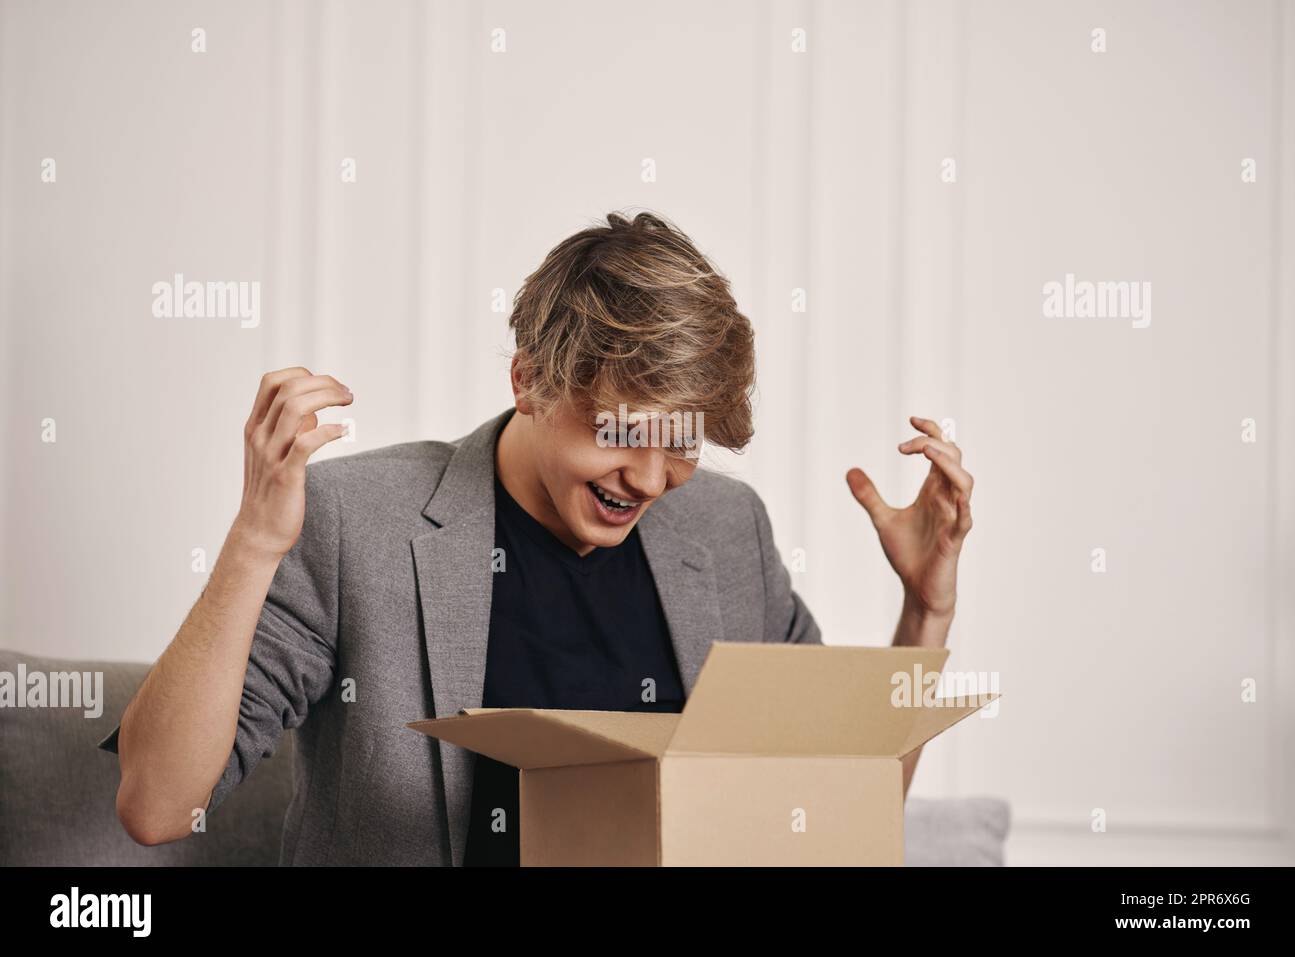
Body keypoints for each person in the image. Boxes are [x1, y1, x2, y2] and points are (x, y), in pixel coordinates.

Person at [101, 211, 975, 866]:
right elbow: (157, 804)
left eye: (678, 444)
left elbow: (833, 814)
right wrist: (255, 539)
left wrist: (925, 608)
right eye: (619, 431)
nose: (647, 477)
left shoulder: (724, 528)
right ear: (529, 380)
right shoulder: (352, 522)